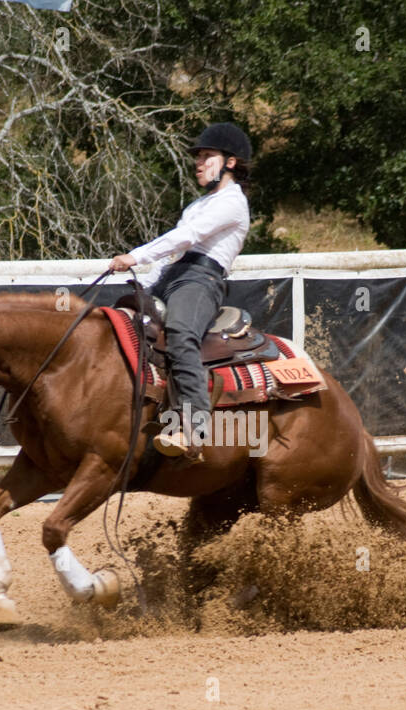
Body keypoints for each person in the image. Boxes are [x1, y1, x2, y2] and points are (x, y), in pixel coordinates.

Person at [110, 122, 252, 462]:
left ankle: (194, 428)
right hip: (172, 276)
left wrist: (135, 256)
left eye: (207, 156)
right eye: (198, 157)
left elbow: (185, 240)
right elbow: (175, 253)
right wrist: (144, 286)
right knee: (121, 326)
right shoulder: (197, 206)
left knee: (181, 333)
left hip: (200, 281)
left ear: (230, 162)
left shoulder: (232, 202)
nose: (198, 163)